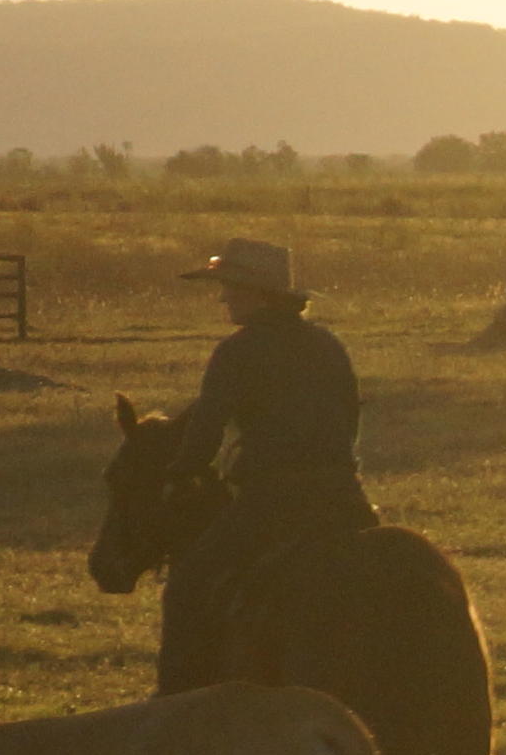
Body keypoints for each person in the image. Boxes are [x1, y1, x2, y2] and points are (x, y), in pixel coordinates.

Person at [152, 238, 377, 692]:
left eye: (229, 287)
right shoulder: (327, 345)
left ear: (256, 293)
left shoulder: (236, 352)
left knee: (190, 580)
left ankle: (174, 695)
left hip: (272, 500)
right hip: (343, 494)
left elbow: (207, 429)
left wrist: (181, 473)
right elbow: (350, 418)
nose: (223, 297)